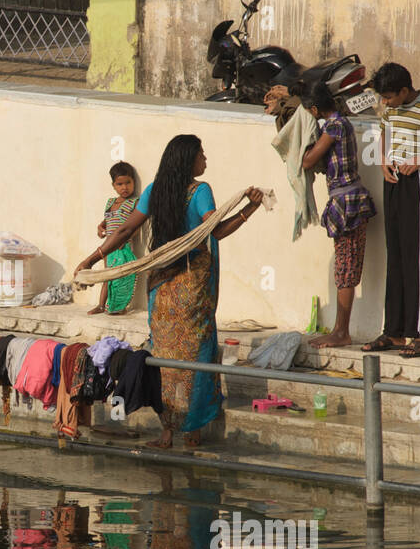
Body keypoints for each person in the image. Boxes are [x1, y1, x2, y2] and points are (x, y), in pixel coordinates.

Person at [74, 135, 264, 449]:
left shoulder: (154, 191)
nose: (206, 160)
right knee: (197, 351)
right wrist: (250, 209)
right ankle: (193, 431)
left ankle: (167, 433)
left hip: (161, 283)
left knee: (163, 352)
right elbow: (214, 231)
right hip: (193, 283)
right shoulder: (201, 191)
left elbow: (123, 230)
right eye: (202, 154)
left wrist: (91, 259)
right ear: (189, 159)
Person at [362, 62, 420, 358]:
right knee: (397, 256)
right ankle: (393, 332)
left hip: (415, 182)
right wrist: (382, 163)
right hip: (392, 181)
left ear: (404, 90)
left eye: (389, 97)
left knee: (417, 258)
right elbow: (384, 135)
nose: (385, 103)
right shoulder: (390, 109)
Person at [300, 81, 376, 349]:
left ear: (314, 109)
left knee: (346, 268)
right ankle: (339, 330)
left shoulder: (335, 125)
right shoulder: (336, 123)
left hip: (348, 203)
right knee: (345, 267)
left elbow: (308, 160)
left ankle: (341, 332)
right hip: (345, 200)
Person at [89, 161, 140, 316]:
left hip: (122, 247)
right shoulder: (111, 203)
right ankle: (101, 305)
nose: (124, 187)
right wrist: (100, 227)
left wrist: (124, 240)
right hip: (108, 246)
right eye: (119, 184)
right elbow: (106, 220)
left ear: (134, 182)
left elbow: (136, 227)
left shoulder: (134, 203)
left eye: (128, 183)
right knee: (107, 276)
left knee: (122, 277)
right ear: (113, 185)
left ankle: (119, 306)